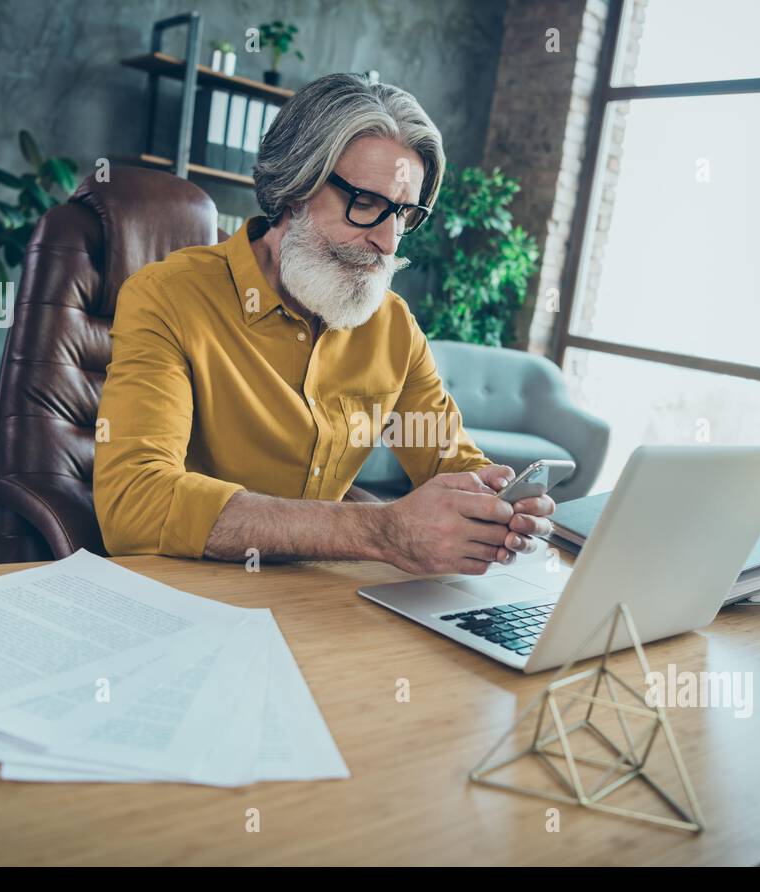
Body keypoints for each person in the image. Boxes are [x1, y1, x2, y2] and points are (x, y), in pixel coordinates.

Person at [94, 73, 555, 575]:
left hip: (318, 594)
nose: (388, 241)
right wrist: (381, 531)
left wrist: (495, 505)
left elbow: (449, 461)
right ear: (295, 187)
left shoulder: (393, 327)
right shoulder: (168, 296)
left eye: (403, 215)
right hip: (192, 591)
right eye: (366, 204)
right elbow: (134, 504)